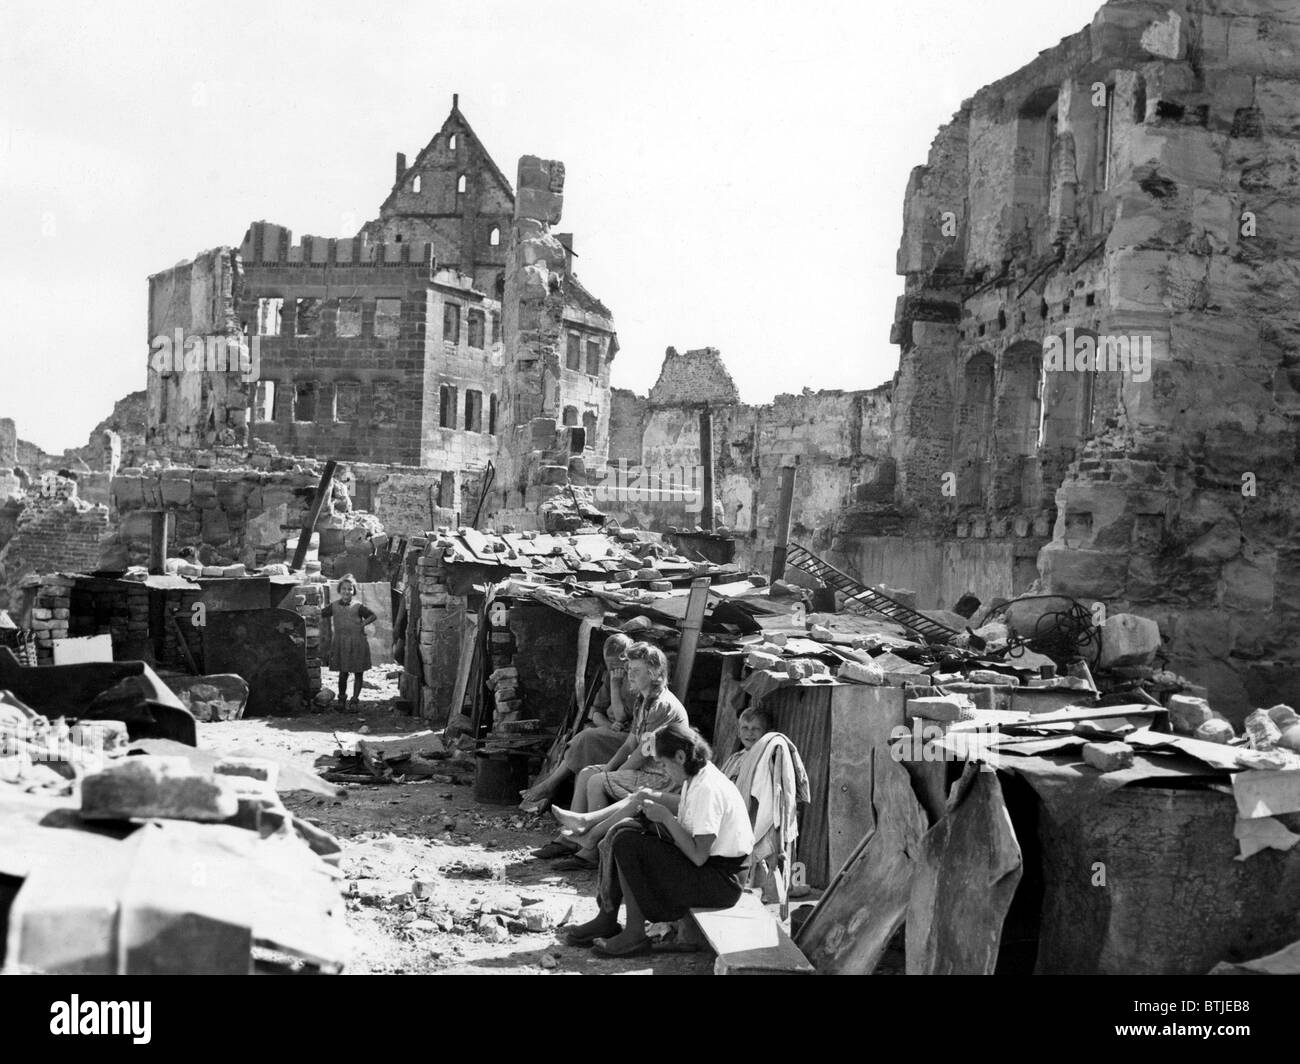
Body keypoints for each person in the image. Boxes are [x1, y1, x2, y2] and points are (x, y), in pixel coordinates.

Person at [563, 723, 754, 957]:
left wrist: (664, 817)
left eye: (664, 764)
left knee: (629, 843)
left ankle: (634, 934)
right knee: (626, 831)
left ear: (681, 756)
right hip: (710, 868)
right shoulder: (697, 776)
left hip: (721, 881)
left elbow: (698, 856)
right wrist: (649, 806)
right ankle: (607, 917)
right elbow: (687, 817)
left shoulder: (708, 788)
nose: (664, 770)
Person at [519, 634, 635, 810]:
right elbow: (595, 711)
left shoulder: (632, 680)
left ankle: (551, 784)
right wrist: (606, 725)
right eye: (609, 665)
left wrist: (615, 684)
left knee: (586, 737)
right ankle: (554, 789)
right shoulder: (610, 676)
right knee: (578, 738)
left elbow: (621, 717)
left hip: (627, 736)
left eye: (618, 665)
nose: (614, 669)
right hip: (610, 730)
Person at [321, 574, 376, 708]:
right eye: (344, 589)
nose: (347, 592)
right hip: (341, 643)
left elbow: (373, 616)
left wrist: (362, 625)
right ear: (340, 590)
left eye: (350, 589)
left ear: (353, 591)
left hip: (357, 642)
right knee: (343, 672)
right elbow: (321, 613)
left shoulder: (358, 606)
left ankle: (355, 700)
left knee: (358, 672)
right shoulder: (333, 606)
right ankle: (341, 698)